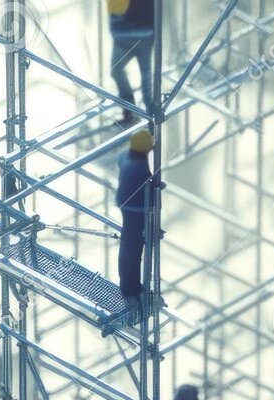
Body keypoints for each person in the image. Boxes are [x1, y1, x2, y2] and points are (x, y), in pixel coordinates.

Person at [116, 129, 155, 310]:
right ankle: (130, 290)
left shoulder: (126, 156)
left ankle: (132, 287)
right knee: (133, 250)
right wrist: (154, 188)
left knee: (130, 247)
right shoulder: (139, 167)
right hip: (135, 210)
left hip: (127, 205)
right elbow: (145, 193)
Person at [107, 0, 155, 123]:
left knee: (120, 71)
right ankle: (142, 112)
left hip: (135, 32)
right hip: (135, 33)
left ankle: (134, 111)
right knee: (145, 73)